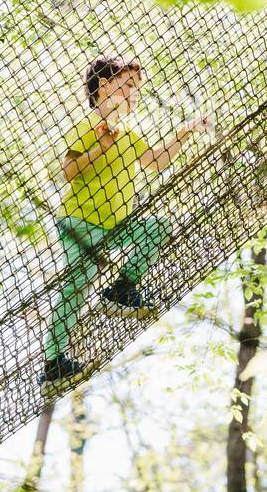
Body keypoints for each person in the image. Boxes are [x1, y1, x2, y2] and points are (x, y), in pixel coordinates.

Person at [43, 55, 211, 385]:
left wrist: (185, 132)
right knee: (78, 282)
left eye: (138, 89)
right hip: (80, 223)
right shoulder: (86, 127)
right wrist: (99, 149)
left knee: (156, 228)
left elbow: (157, 161)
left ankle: (121, 288)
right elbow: (68, 171)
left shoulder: (129, 136)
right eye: (129, 85)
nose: (135, 94)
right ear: (104, 86)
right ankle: (53, 363)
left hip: (116, 226)